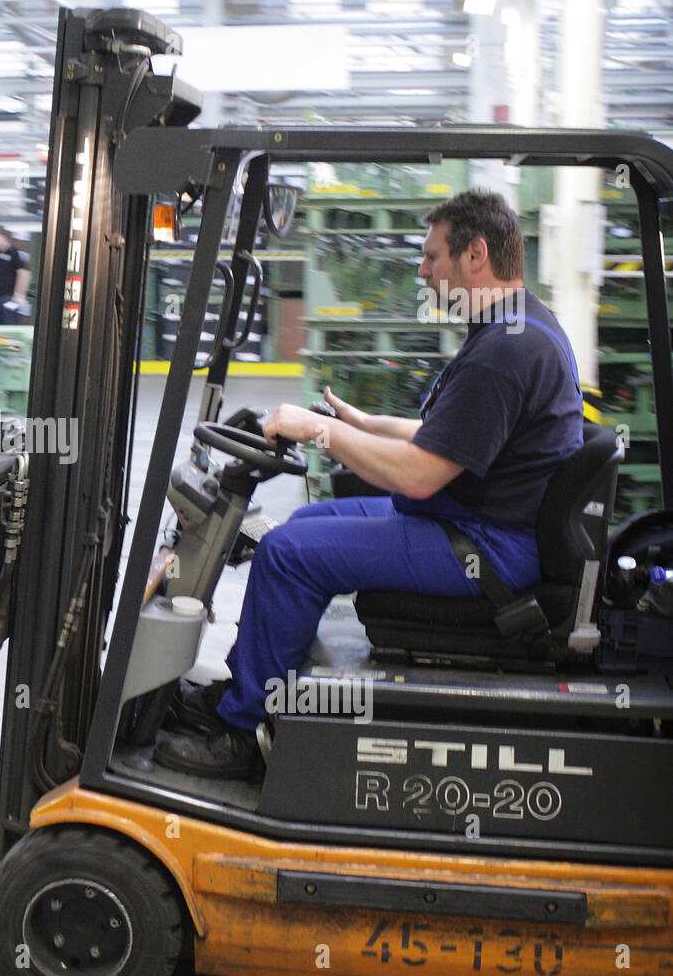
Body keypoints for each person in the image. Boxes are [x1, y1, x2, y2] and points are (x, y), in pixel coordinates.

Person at [154, 189, 585, 780]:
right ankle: (244, 690)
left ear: (476, 255)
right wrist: (354, 423)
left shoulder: (504, 353)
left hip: (488, 549)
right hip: (480, 524)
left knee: (285, 554)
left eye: (434, 257)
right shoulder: (520, 326)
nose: (423, 270)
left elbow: (420, 470)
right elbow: (450, 435)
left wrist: (319, 433)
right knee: (300, 525)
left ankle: (241, 735)